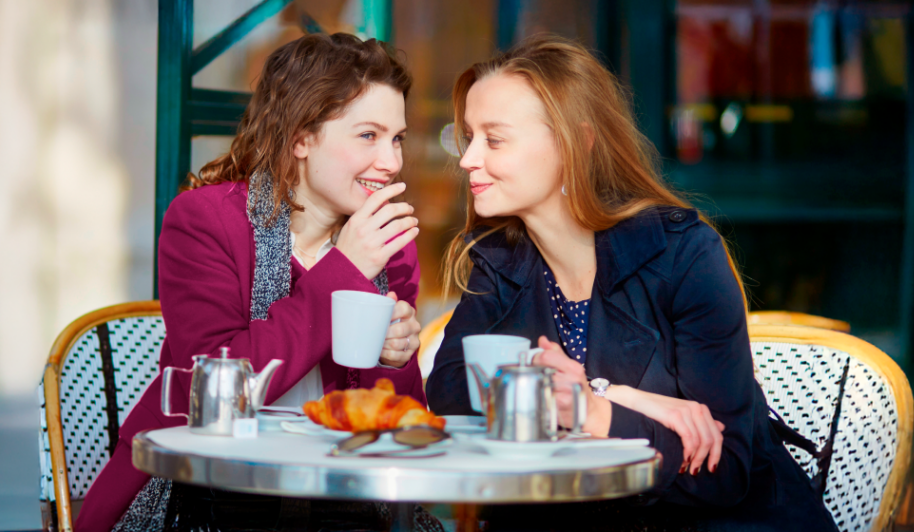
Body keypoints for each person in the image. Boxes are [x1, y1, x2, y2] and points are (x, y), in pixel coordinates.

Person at [425, 35, 839, 531]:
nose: (467, 159)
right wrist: (617, 396)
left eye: (493, 140)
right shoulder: (499, 260)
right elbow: (450, 391)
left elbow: (723, 470)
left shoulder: (683, 255)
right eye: (468, 136)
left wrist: (594, 412)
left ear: (576, 143)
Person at [76, 33, 427, 532]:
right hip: (201, 492)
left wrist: (398, 354)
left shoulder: (389, 243)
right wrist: (344, 271)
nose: (391, 162)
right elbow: (218, 383)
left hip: (341, 501)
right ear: (301, 138)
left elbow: (399, 423)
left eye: (397, 139)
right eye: (368, 136)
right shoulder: (204, 221)